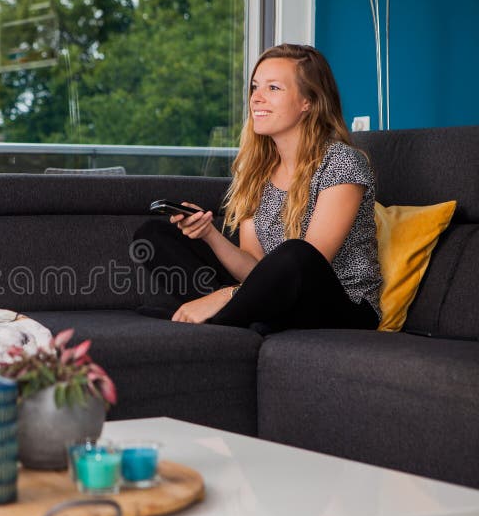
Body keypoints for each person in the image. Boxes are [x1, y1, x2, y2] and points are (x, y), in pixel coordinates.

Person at [135, 44, 382, 332]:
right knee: (154, 235)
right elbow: (254, 267)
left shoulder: (342, 162)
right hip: (277, 296)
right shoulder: (258, 170)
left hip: (342, 307)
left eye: (273, 88)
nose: (256, 98)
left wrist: (226, 295)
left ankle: (218, 319)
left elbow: (308, 266)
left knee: (297, 253)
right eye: (255, 86)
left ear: (309, 101)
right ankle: (233, 318)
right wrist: (209, 234)